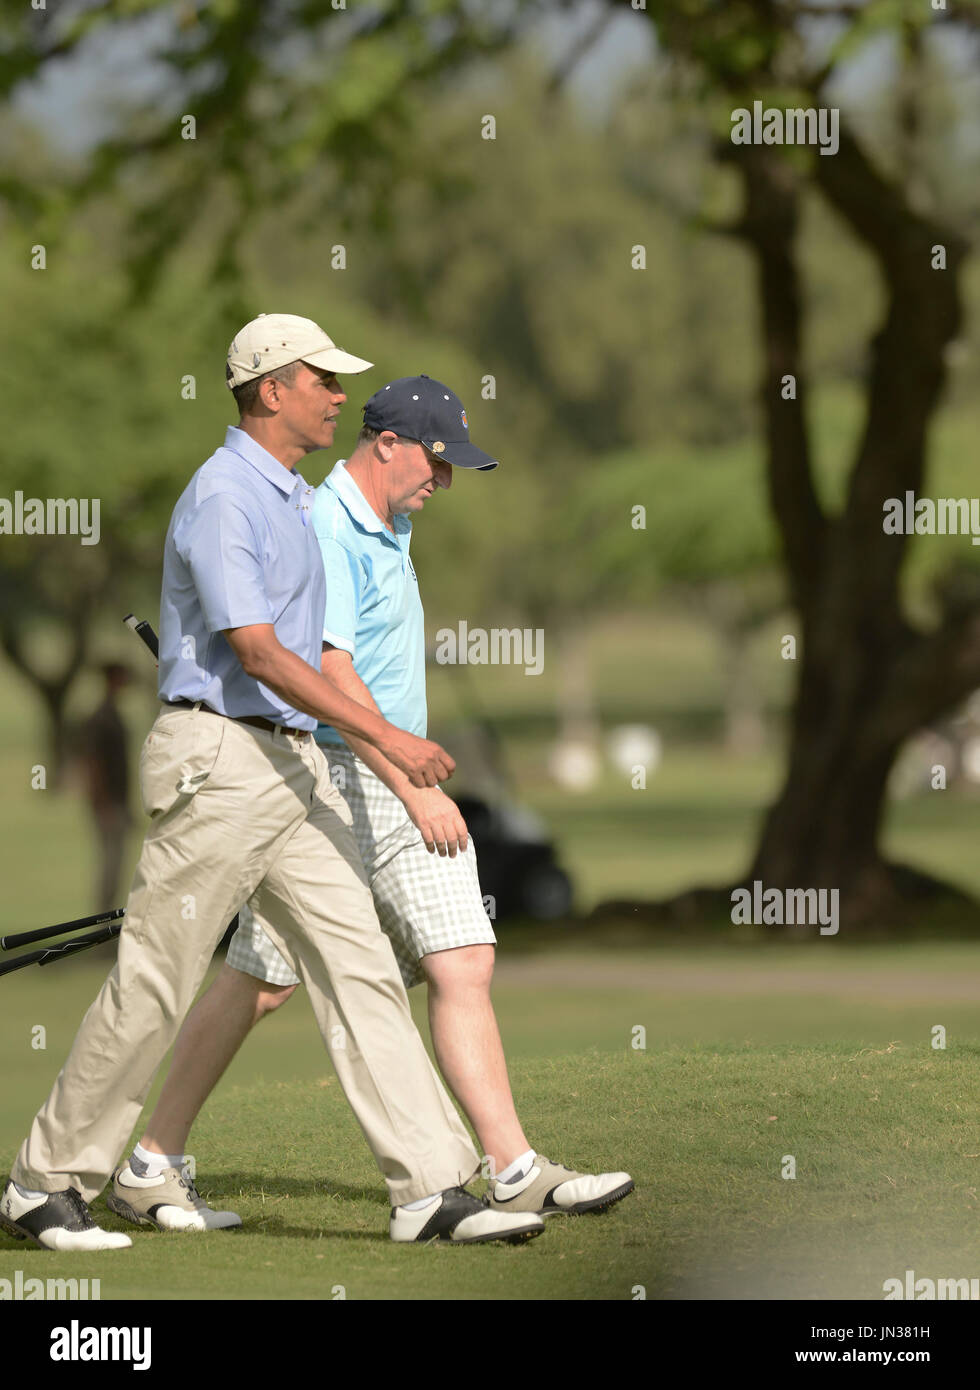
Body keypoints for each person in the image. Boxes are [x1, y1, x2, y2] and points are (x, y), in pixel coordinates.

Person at [0, 317, 546, 1253]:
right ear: (268, 389)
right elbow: (256, 651)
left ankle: (429, 1189)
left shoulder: (289, 498)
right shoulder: (223, 496)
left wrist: (359, 735)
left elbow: (311, 653)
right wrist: (387, 738)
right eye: (320, 380)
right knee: (156, 980)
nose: (338, 395)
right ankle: (42, 1185)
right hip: (221, 763)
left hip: (290, 763)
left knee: (361, 967)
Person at [116, 375, 633, 1227]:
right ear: (386, 443)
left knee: (460, 959)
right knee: (262, 979)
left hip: (385, 776)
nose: (445, 481)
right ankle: (151, 1157)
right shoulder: (325, 525)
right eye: (437, 461)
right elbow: (329, 673)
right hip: (332, 774)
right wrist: (409, 781)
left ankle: (511, 1167)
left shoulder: (387, 523)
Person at [80, 662, 133, 912]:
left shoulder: (112, 713)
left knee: (117, 865)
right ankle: (101, 923)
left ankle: (106, 922)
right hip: (108, 803)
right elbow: (93, 764)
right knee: (111, 866)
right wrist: (103, 804)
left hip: (116, 801)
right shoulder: (101, 717)